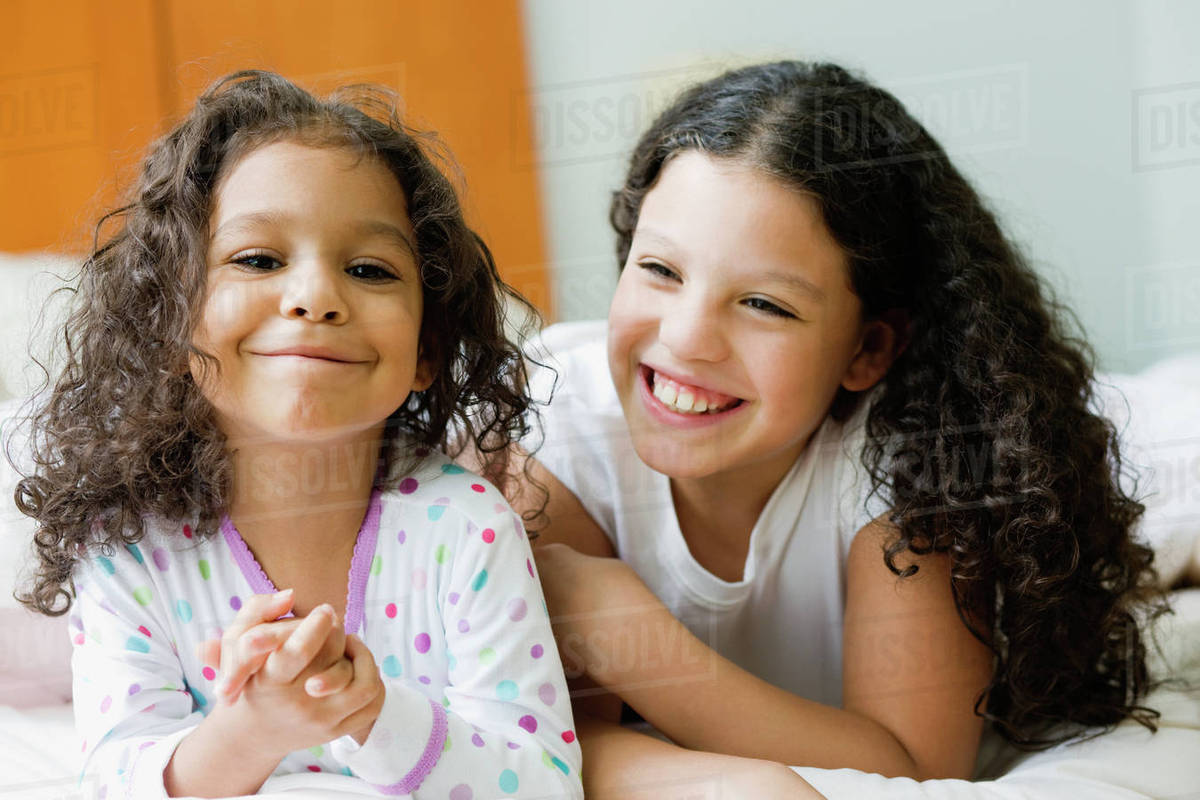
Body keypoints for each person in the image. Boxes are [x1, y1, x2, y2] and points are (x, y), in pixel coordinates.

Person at [500, 61, 1169, 798]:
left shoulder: (910, 464)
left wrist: (629, 637)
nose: (686, 338)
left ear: (867, 349)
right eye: (660, 269)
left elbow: (915, 766)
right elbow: (554, 737)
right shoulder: (557, 429)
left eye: (764, 304)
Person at [14, 70, 582, 800]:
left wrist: (373, 714)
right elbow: (113, 783)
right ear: (171, 321)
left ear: (428, 348)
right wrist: (250, 730)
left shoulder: (468, 528)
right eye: (258, 260)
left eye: (369, 269)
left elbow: (545, 785)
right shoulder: (129, 542)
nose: (315, 297)